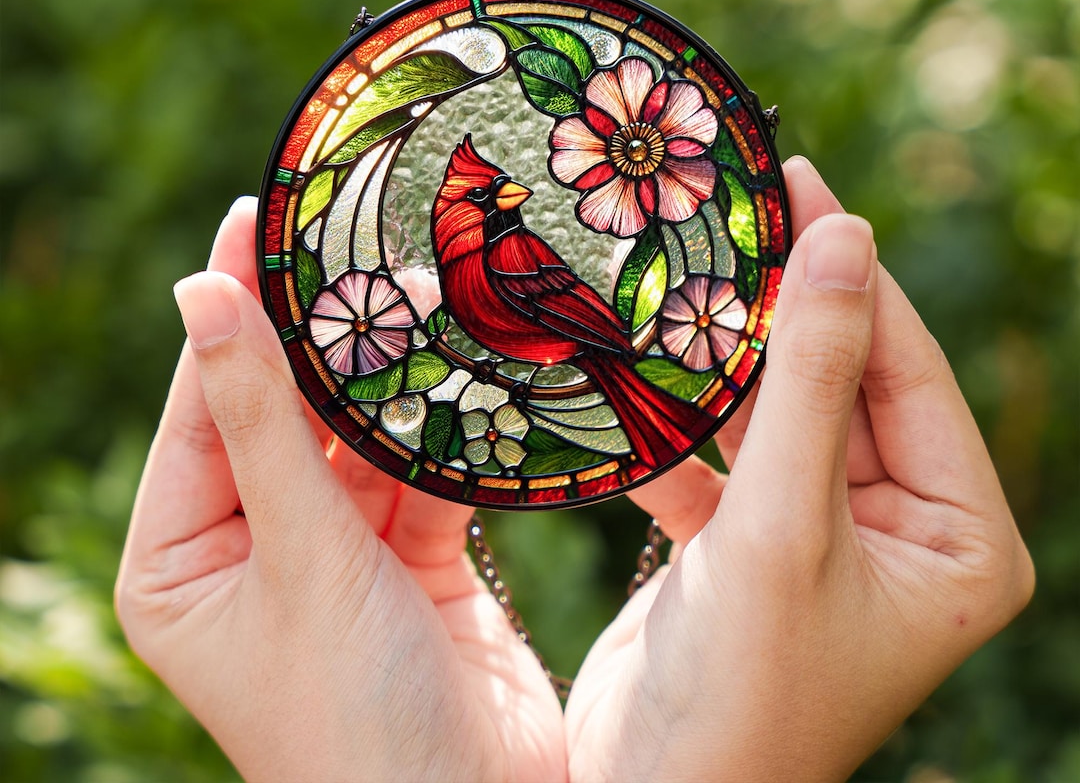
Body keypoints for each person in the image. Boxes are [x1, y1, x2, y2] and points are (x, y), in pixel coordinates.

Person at [115, 157, 1034, 782]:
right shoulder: (472, 256)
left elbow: (557, 310)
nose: (507, 206)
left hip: (574, 347)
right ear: (451, 218)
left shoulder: (508, 251)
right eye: (482, 203)